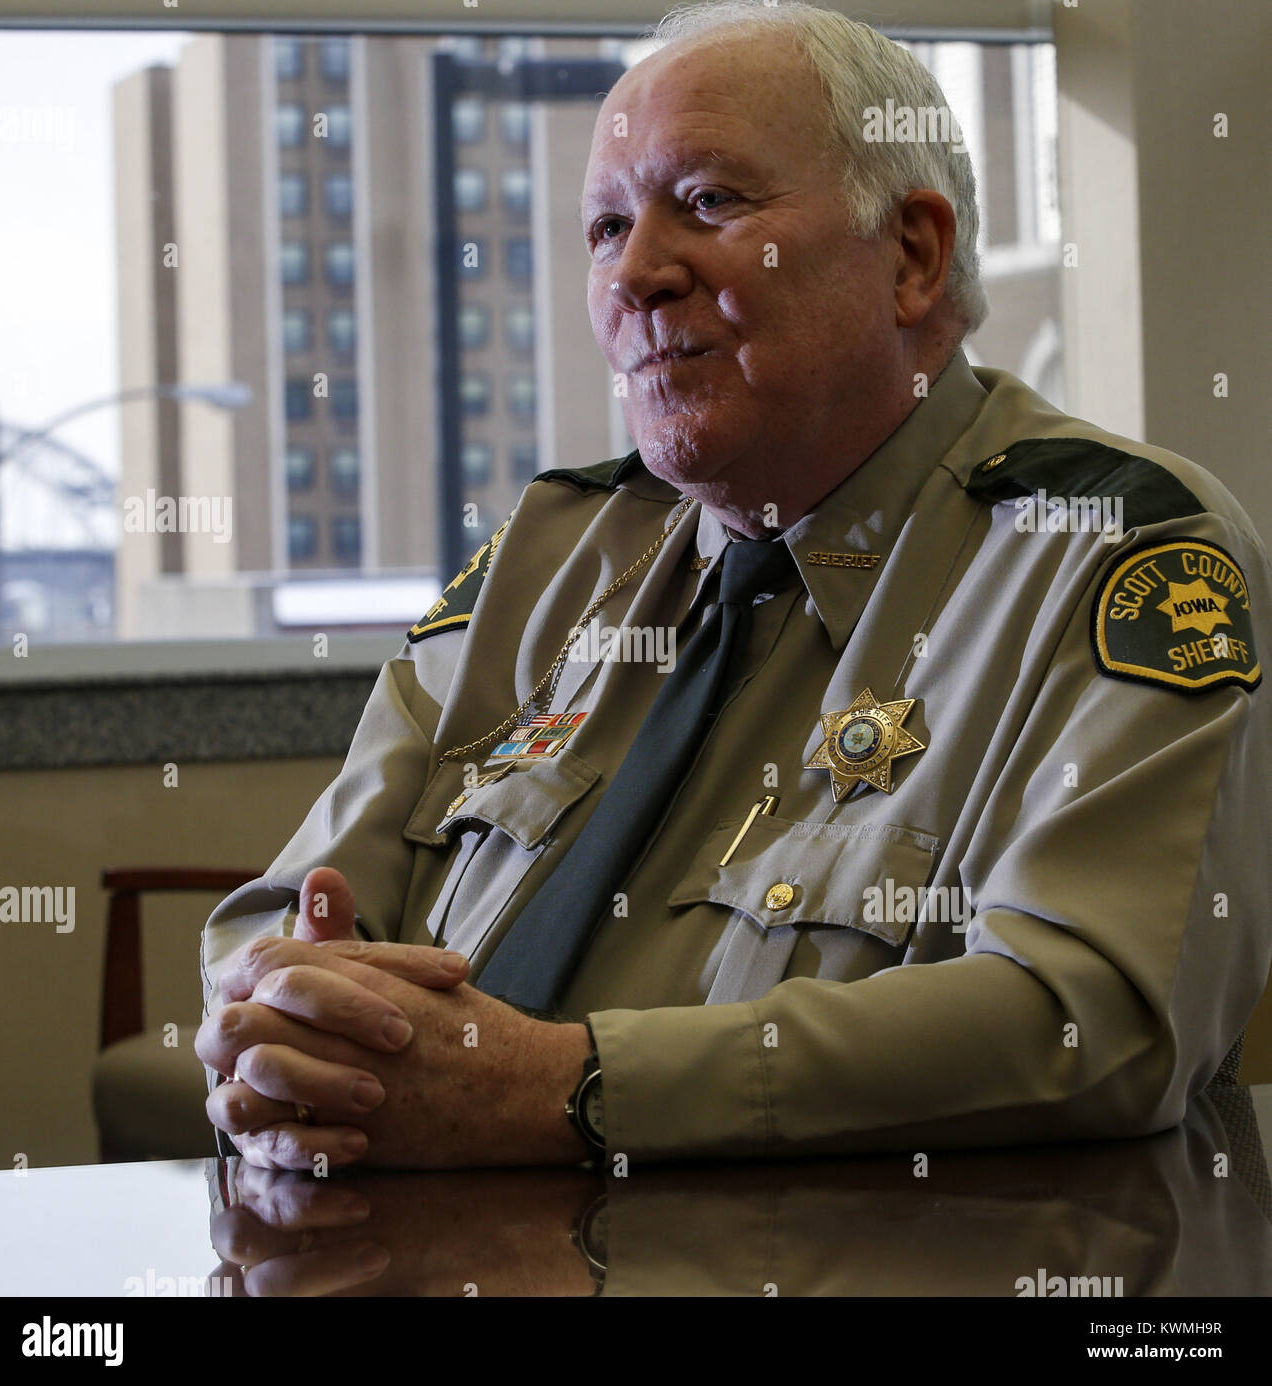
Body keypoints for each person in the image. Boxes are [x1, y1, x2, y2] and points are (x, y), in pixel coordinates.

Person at [197, 1, 1271, 1171]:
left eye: (708, 203)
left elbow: (1091, 1016)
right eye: (606, 226)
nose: (638, 273)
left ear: (910, 255)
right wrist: (277, 1011)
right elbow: (292, 915)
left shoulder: (1108, 551)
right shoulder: (552, 556)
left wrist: (567, 1091)